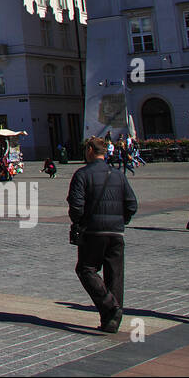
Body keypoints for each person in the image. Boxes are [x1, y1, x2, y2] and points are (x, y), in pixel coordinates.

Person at [67, 137, 138, 333]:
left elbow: (76, 206)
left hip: (93, 231)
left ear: (90, 150)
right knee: (115, 274)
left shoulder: (82, 174)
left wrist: (79, 221)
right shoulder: (118, 175)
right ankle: (111, 320)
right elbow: (132, 204)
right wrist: (121, 220)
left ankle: (110, 307)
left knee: (86, 269)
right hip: (116, 232)